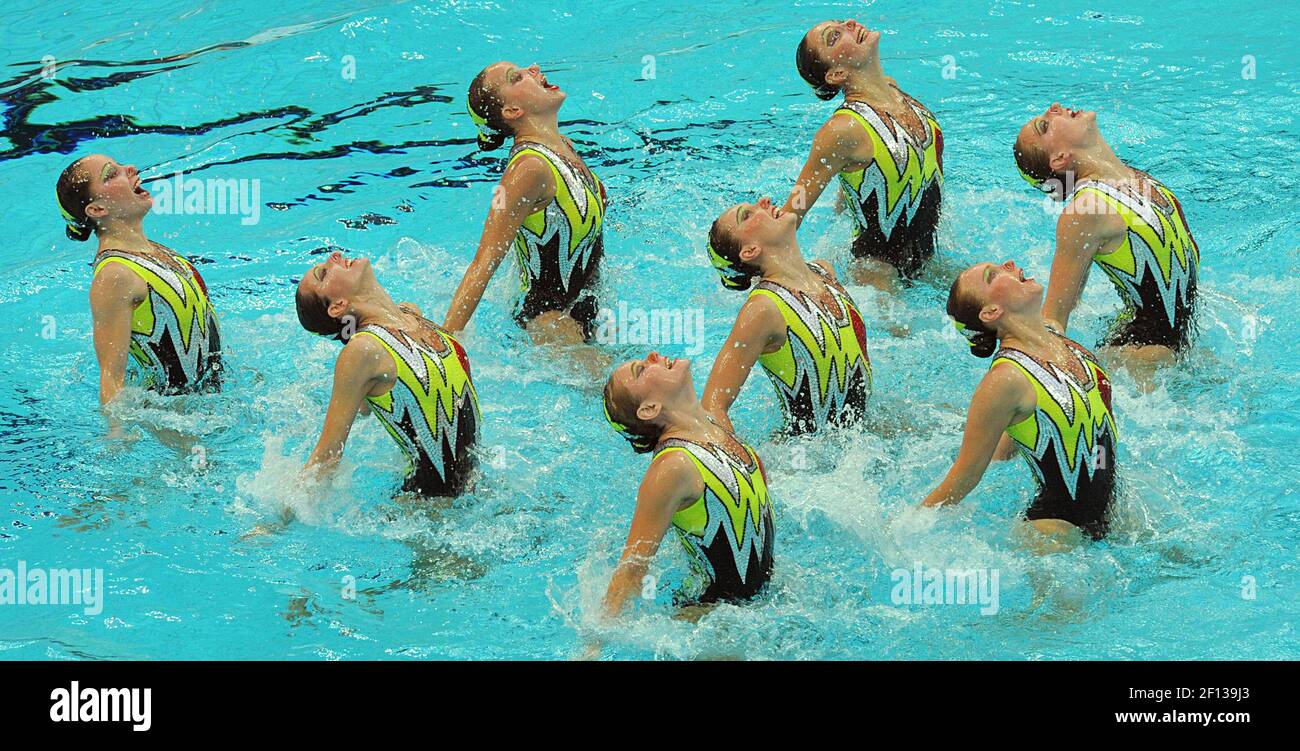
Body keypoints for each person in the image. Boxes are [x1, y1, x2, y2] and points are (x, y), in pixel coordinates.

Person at [922, 260, 1118, 543]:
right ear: (991, 312)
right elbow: (962, 478)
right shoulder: (1005, 380)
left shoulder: (1057, 337)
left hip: (1113, 514)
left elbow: (1019, 438)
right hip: (1054, 533)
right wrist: (907, 526)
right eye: (994, 274)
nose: (1010, 264)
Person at [1013, 103, 1200, 380]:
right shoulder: (1086, 209)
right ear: (1059, 158)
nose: (1053, 108)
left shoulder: (1139, 178)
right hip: (1140, 359)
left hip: (1178, 347)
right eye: (1044, 125)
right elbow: (1053, 319)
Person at [598, 352, 775, 619]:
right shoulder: (673, 467)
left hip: (761, 609)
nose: (652, 356)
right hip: (713, 624)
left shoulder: (719, 431)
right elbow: (631, 570)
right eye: (641, 370)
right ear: (649, 409)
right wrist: (594, 647)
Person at [445, 62, 607, 345]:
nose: (534, 68)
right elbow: (484, 261)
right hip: (551, 322)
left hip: (587, 313)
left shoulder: (564, 146)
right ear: (512, 112)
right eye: (517, 77)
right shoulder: (529, 169)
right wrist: (445, 342)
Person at [295, 250, 480, 496]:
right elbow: (327, 455)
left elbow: (369, 404)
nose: (335, 255)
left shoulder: (412, 314)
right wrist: (275, 523)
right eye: (324, 273)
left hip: (473, 496)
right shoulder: (363, 350)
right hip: (426, 515)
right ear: (338, 306)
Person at [57, 155, 223, 415]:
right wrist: (118, 441)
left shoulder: (156, 250)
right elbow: (111, 381)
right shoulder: (114, 275)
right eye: (111, 174)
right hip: (179, 419)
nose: (130, 168)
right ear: (98, 209)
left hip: (215, 399)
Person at [784, 18, 943, 288]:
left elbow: (866, 171)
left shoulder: (893, 90)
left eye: (841, 22)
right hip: (879, 276)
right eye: (833, 37)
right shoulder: (841, 129)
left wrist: (844, 203)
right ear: (836, 74)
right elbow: (792, 214)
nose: (849, 24)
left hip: (929, 257)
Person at [702, 197, 872, 434]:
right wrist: (741, 467)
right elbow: (713, 406)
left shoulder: (824, 271)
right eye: (747, 215)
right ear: (750, 251)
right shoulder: (763, 309)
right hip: (812, 460)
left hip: (865, 437)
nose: (764, 201)